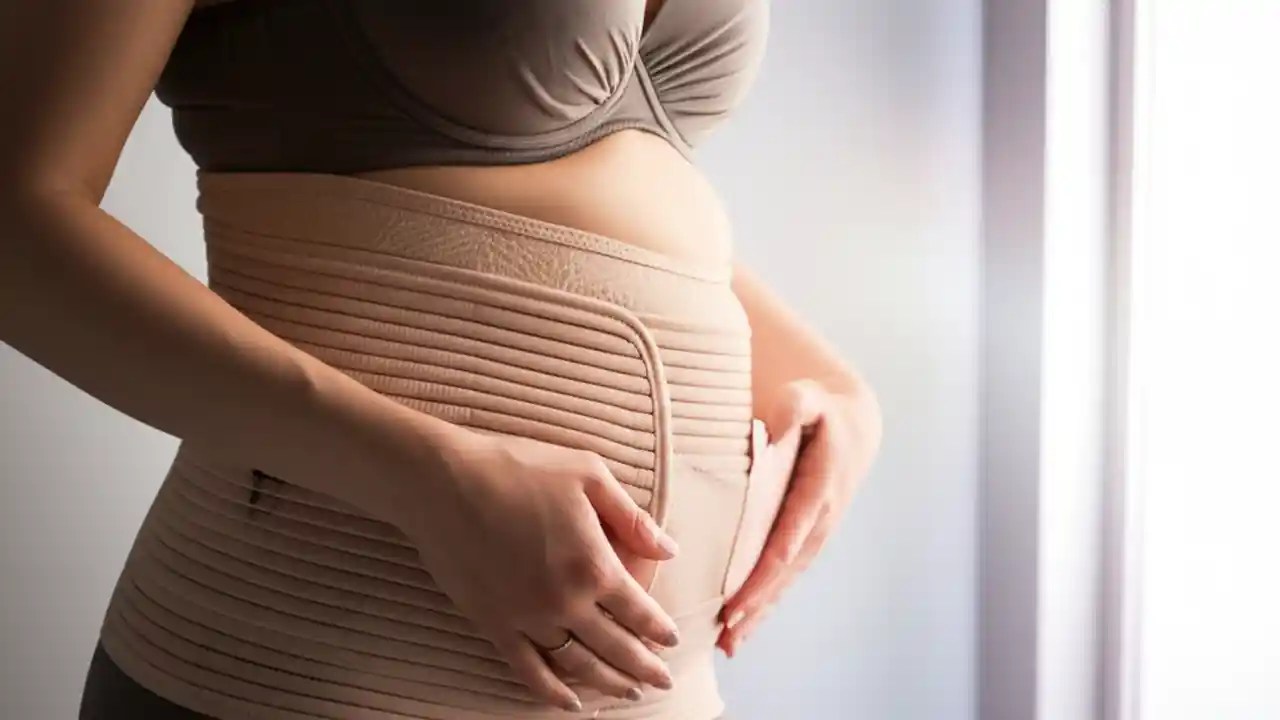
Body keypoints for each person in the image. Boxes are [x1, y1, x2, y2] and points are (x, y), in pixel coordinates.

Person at [0, 0, 883, 718]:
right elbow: (17, 226)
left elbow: (617, 189)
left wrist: (828, 380)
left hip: (661, 690)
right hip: (305, 672)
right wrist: (426, 475)